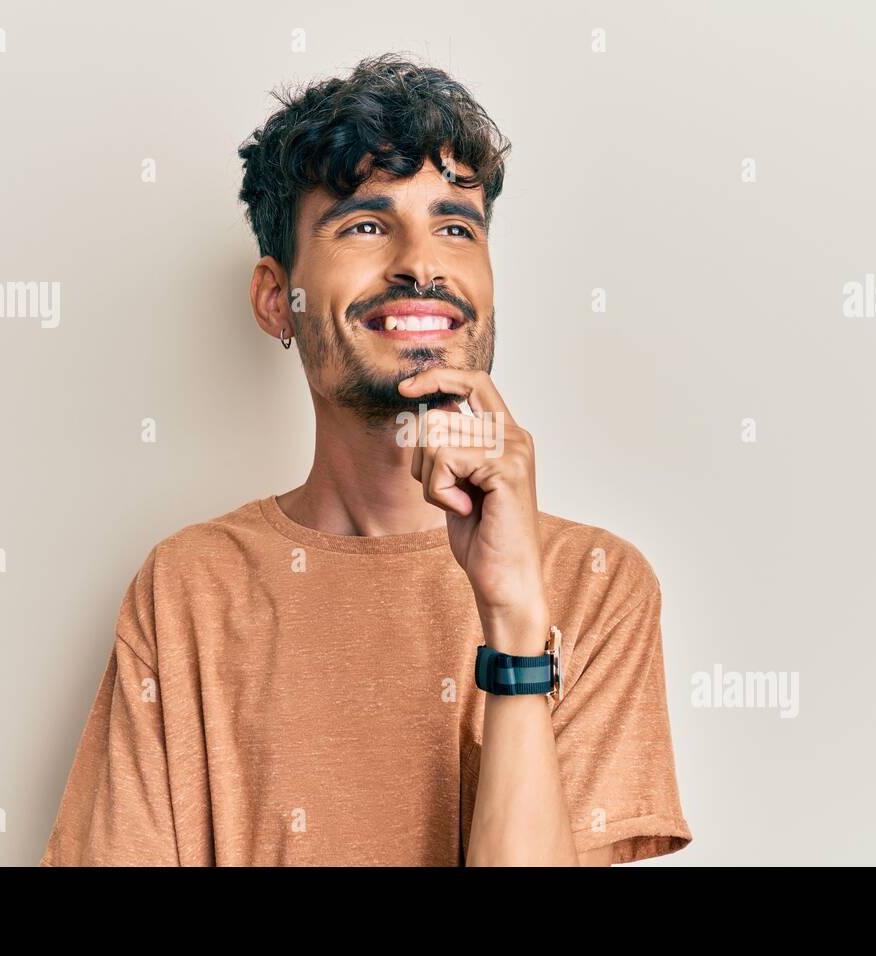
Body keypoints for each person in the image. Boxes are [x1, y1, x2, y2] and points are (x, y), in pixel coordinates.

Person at [39, 52, 692, 866]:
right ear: (277, 298)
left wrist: (518, 624)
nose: (422, 263)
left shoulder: (595, 583)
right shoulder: (187, 590)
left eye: (456, 225)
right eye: (366, 225)